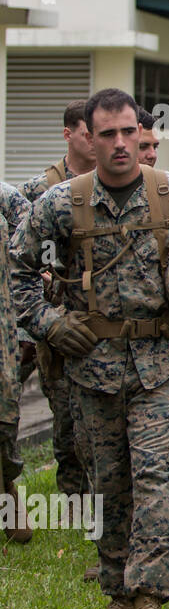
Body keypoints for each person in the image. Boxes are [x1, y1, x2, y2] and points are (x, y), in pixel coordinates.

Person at [12, 88, 169, 609]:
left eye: (129, 131)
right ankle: (116, 592)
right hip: (91, 367)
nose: (121, 143)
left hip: (163, 367)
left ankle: (151, 601)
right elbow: (18, 270)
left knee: (154, 474)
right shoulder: (60, 203)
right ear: (88, 136)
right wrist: (50, 323)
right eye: (107, 134)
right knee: (109, 483)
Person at [22, 100, 95, 544]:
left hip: (101, 323)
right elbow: (19, 257)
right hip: (55, 323)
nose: (101, 141)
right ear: (69, 134)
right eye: (91, 132)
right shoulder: (39, 191)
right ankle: (73, 504)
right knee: (66, 417)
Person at [0, 186, 31, 543]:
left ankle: (6, 482)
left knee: (4, 415)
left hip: (4, 331)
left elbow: (35, 246)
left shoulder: (7, 199)